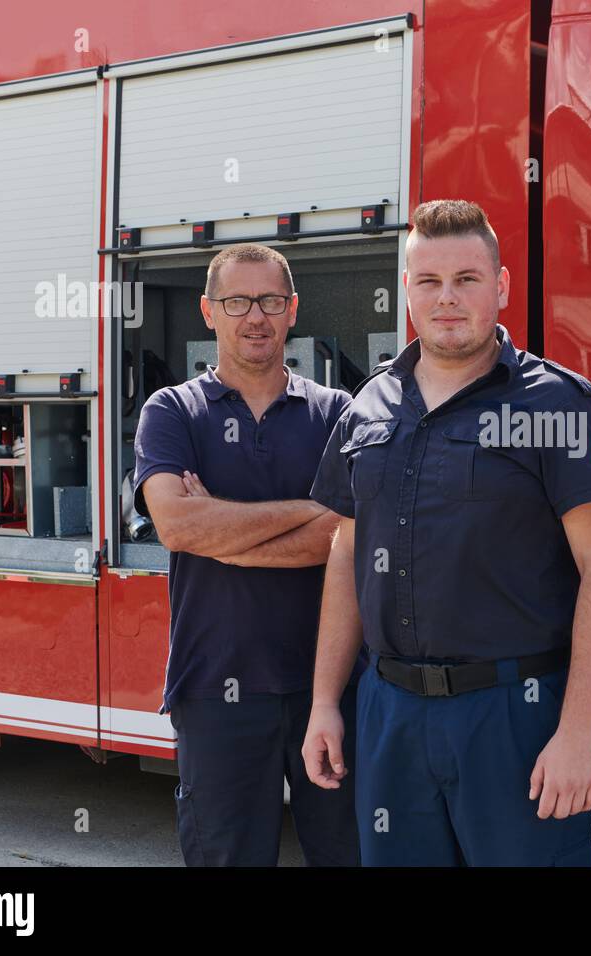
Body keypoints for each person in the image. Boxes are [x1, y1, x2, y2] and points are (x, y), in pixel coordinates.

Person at [302, 199, 591, 866]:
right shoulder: (369, 406)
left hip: (515, 716)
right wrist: (325, 701)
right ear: (407, 293)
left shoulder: (557, 405)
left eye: (467, 280)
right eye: (428, 282)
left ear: (501, 286)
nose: (446, 300)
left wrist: (576, 731)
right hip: (389, 714)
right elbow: (346, 553)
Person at [134, 243, 360, 866]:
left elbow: (345, 535)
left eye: (269, 301)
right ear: (209, 311)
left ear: (293, 311)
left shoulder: (338, 413)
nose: (254, 316)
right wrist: (310, 510)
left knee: (347, 855)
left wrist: (225, 534)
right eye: (237, 301)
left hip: (331, 688)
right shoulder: (172, 411)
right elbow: (178, 527)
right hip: (214, 688)